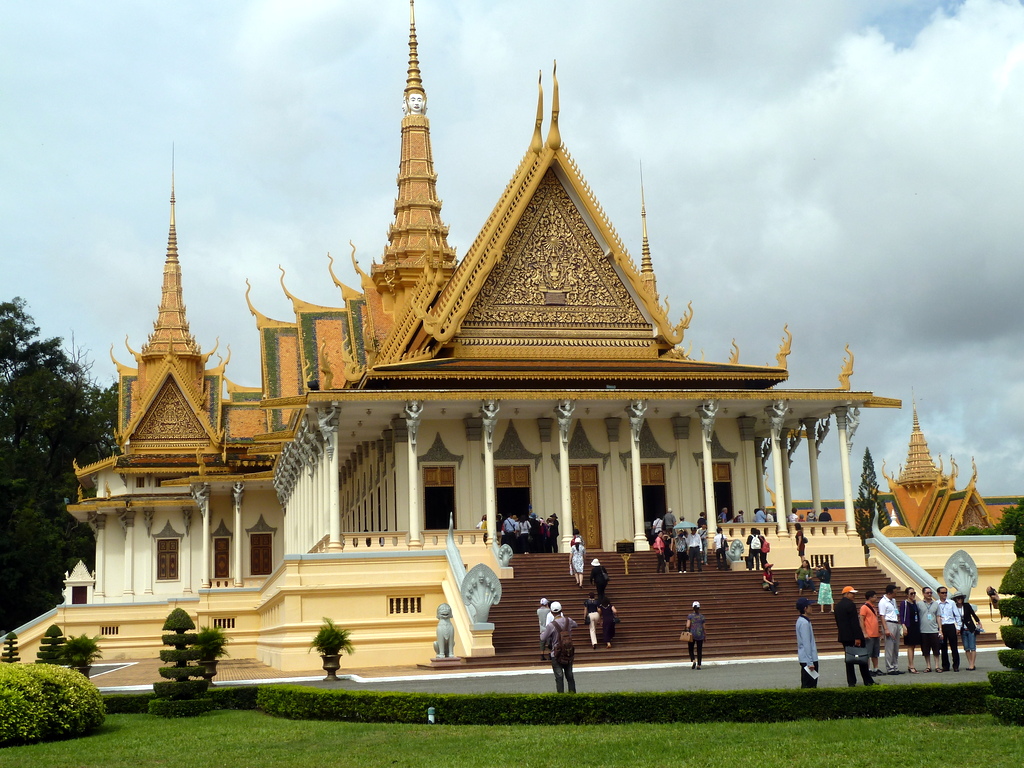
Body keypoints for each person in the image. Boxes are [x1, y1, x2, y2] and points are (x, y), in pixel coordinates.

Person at [835, 586, 875, 687]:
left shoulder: (838, 606)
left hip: (844, 636)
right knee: (862, 657)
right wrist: (858, 637)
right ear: (847, 593)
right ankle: (867, 680)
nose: (854, 595)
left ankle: (851, 681)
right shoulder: (851, 605)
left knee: (849, 659)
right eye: (852, 593)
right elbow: (854, 622)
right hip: (853, 636)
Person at [539, 601, 577, 693]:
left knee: (559, 677)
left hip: (556, 653)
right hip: (568, 651)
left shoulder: (551, 625)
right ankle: (573, 695)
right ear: (561, 610)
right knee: (570, 676)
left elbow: (543, 638)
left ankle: (561, 697)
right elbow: (576, 625)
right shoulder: (568, 620)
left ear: (551, 612)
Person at [954, 592, 982, 671]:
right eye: (958, 598)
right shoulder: (954, 607)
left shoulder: (966, 605)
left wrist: (978, 622)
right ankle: (970, 663)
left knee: (972, 647)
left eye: (961, 598)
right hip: (962, 629)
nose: (960, 600)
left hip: (970, 628)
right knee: (966, 648)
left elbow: (973, 614)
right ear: (955, 599)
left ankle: (972, 664)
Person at [878, 583, 902, 675]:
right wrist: (886, 629)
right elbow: (882, 616)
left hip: (895, 623)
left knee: (896, 647)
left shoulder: (893, 601)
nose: (896, 594)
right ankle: (890, 668)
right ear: (889, 593)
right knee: (889, 647)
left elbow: (896, 612)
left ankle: (895, 666)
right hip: (888, 623)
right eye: (894, 593)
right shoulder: (883, 602)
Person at [937, 586, 961, 672]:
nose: (944, 594)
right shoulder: (936, 603)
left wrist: (958, 627)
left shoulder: (951, 603)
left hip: (951, 625)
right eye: (942, 593)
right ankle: (945, 666)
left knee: (954, 647)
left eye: (945, 593)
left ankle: (956, 665)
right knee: (943, 647)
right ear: (938, 594)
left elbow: (957, 615)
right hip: (942, 626)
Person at [795, 596, 819, 688]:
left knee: (808, 684)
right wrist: (810, 662)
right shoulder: (804, 623)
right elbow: (806, 643)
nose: (811, 608)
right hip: (808, 659)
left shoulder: (802, 621)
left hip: (806, 658)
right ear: (805, 608)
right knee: (810, 685)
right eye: (810, 606)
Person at [917, 586, 942, 672]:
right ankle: (928, 666)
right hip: (923, 630)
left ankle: (937, 666)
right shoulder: (919, 604)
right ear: (923, 594)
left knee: (936, 649)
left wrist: (940, 629)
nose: (929, 594)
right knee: (925, 650)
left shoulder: (936, 604)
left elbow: (938, 617)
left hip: (934, 630)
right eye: (927, 593)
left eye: (931, 593)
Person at [899, 586, 922, 673]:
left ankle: (910, 664)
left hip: (915, 626)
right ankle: (911, 665)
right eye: (911, 593)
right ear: (907, 594)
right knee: (910, 645)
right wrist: (903, 626)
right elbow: (902, 615)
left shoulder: (914, 603)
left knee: (913, 646)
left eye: (914, 593)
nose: (913, 595)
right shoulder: (904, 603)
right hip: (909, 626)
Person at [859, 590, 882, 675]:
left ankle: (876, 668)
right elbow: (861, 620)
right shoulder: (864, 607)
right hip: (869, 634)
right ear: (870, 597)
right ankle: (868, 669)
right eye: (874, 597)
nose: (876, 598)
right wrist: (864, 632)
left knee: (875, 653)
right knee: (868, 653)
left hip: (875, 633)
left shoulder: (874, 607)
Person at [686, 601, 706, 669]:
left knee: (691, 648)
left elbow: (688, 625)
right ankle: (699, 665)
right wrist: (705, 635)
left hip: (692, 634)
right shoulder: (702, 617)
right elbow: (704, 627)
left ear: (692, 607)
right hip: (700, 634)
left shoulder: (690, 616)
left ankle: (693, 660)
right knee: (699, 650)